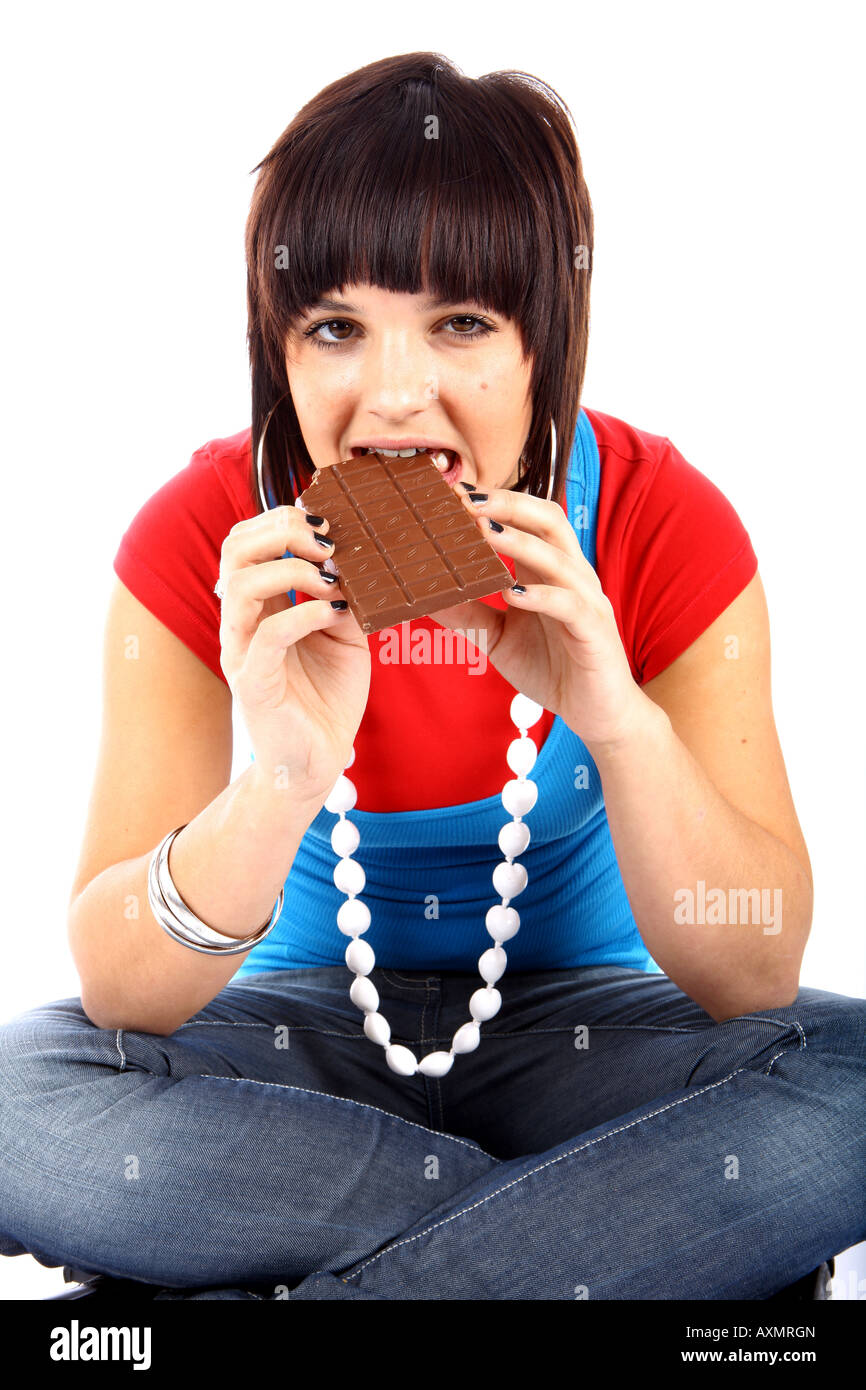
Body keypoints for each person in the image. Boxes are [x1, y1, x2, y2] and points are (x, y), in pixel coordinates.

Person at [1, 52, 863, 1302]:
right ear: (277, 351)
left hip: (591, 1040)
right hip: (294, 1049)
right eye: (335, 328)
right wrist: (282, 775)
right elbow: (122, 990)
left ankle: (300, 1274)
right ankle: (604, 1243)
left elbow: (751, 974)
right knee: (21, 1104)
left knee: (847, 1077)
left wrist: (611, 714)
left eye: (460, 323)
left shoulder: (658, 519)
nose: (393, 396)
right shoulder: (204, 534)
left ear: (543, 344)